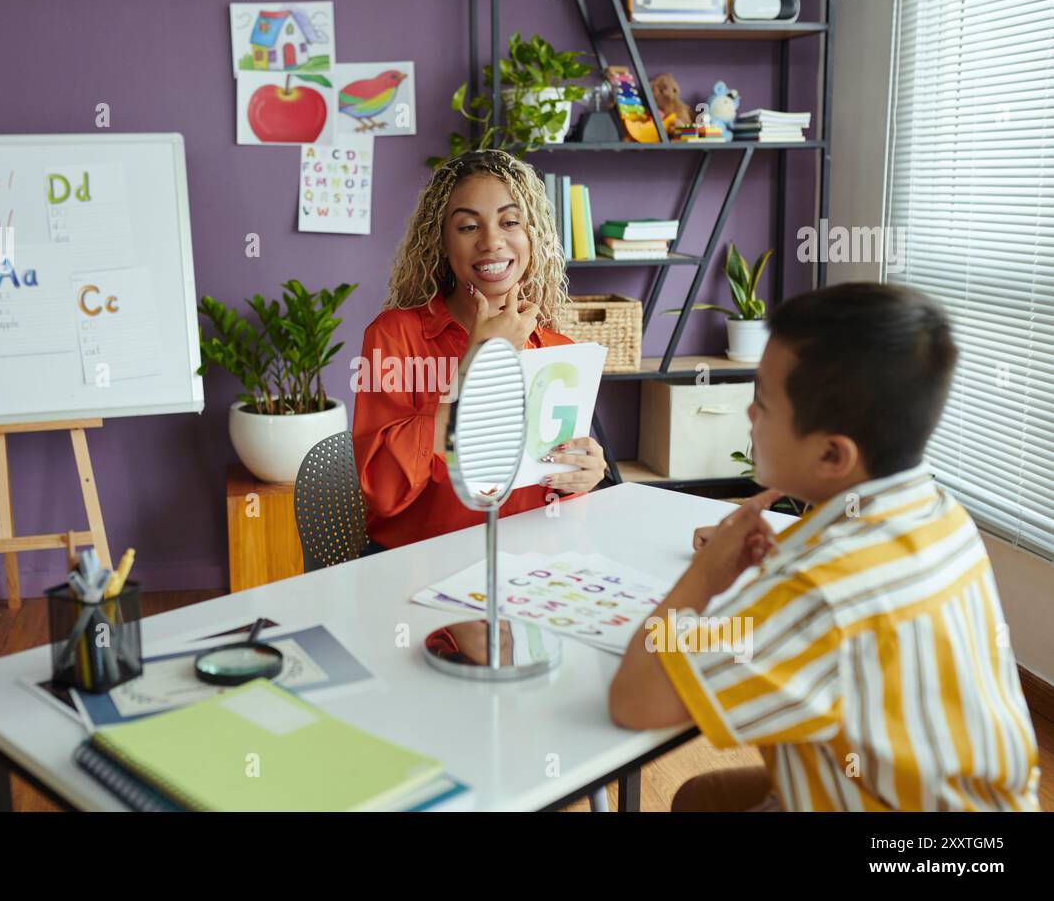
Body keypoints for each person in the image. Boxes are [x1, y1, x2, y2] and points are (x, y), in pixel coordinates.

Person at [609, 282, 1041, 811]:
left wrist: (704, 575)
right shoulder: (937, 511)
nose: (749, 415)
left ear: (834, 456)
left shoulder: (818, 591)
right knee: (702, 798)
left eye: (762, 402)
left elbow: (636, 701)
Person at [352, 149, 607, 551]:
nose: (491, 241)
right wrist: (483, 361)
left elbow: (555, 502)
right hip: (416, 571)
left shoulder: (558, 351)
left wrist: (583, 476)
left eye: (510, 222)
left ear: (532, 236)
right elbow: (382, 493)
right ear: (441, 242)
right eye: (469, 226)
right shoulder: (395, 337)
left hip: (524, 567)